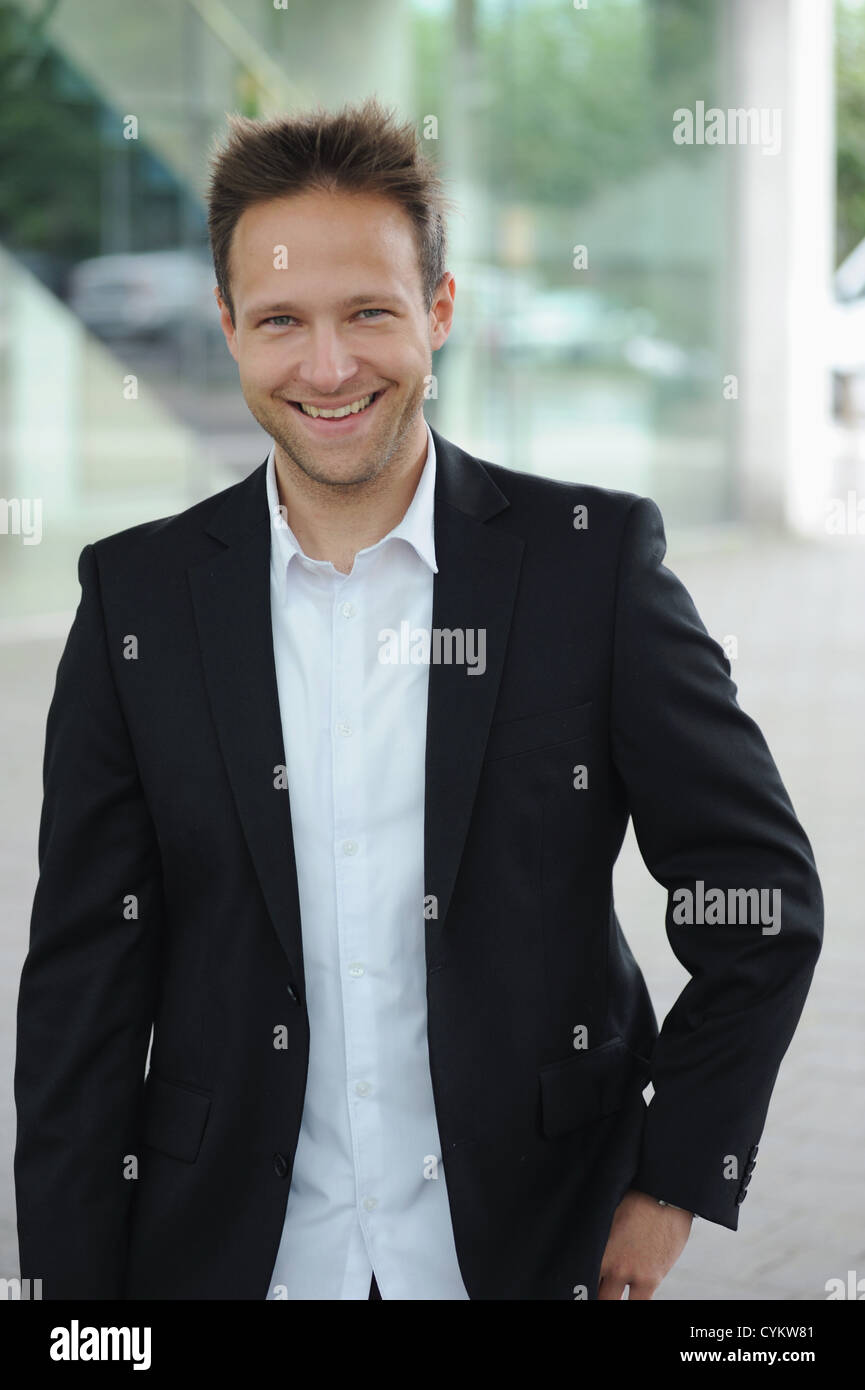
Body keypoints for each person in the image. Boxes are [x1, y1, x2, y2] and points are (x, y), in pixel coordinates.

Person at [14, 97, 823, 1301]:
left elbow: (760, 897)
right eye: (283, 319)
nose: (329, 367)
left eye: (370, 314)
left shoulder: (588, 566)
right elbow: (81, 992)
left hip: (527, 1246)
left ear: (439, 314)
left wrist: (670, 1183)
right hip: (228, 1260)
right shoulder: (135, 599)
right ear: (230, 327)